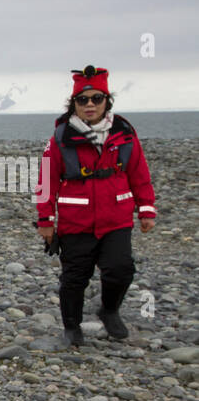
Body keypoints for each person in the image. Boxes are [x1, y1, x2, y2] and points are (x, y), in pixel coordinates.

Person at [36, 65, 156, 346]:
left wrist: (146, 209)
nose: (90, 105)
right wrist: (45, 221)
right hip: (76, 221)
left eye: (96, 98)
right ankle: (72, 326)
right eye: (82, 100)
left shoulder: (124, 134)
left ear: (106, 101)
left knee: (121, 269)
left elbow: (139, 172)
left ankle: (109, 310)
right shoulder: (60, 139)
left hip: (116, 218)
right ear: (74, 104)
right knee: (75, 277)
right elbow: (46, 181)